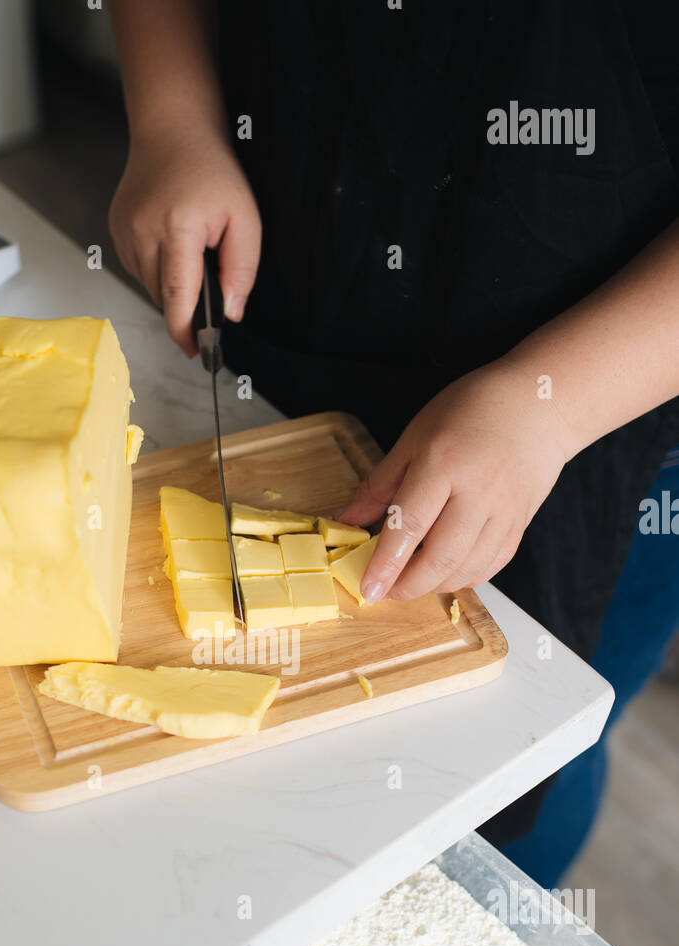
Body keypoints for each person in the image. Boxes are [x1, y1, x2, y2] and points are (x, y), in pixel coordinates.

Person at [107, 0, 679, 882]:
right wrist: (174, 120)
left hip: (616, 405)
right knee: (274, 794)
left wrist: (548, 408)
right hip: (297, 277)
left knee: (520, 767)